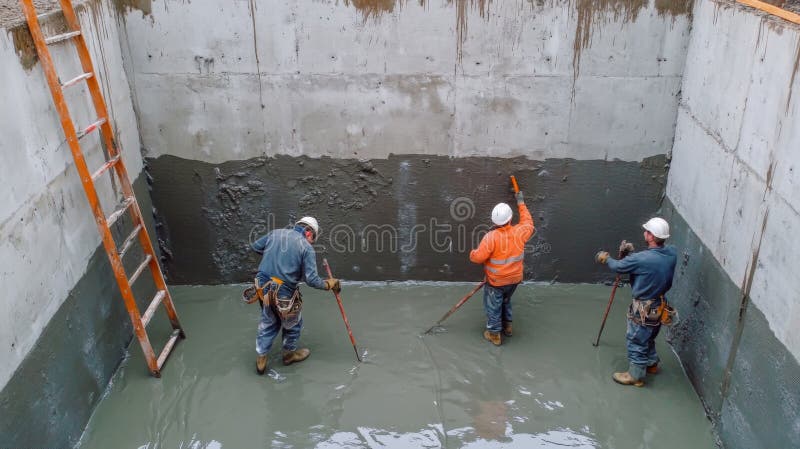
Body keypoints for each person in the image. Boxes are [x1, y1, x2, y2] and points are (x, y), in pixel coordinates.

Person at [250, 216, 341, 375]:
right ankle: (289, 355)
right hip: (284, 294)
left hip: (262, 288)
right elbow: (312, 280)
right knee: (293, 323)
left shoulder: (275, 233)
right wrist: (329, 284)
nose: (312, 242)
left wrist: (274, 255)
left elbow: (256, 247)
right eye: (313, 239)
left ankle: (261, 358)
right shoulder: (306, 247)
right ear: (309, 233)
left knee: (268, 319)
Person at [595, 217, 677, 387]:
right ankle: (651, 364)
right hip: (659, 306)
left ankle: (635, 375)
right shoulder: (672, 253)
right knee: (650, 336)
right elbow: (648, 264)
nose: (644, 233)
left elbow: (619, 267)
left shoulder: (640, 259)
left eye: (647, 231)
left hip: (643, 308)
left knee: (637, 339)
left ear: (652, 237)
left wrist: (606, 258)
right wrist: (630, 257)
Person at [469, 191, 535, 345]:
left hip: (496, 282)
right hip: (514, 281)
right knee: (506, 300)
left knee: (493, 306)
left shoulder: (491, 237)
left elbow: (478, 258)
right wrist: (521, 203)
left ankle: (494, 334)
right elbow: (528, 222)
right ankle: (508, 327)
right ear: (510, 218)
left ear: (494, 221)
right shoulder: (520, 232)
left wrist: (472, 254)